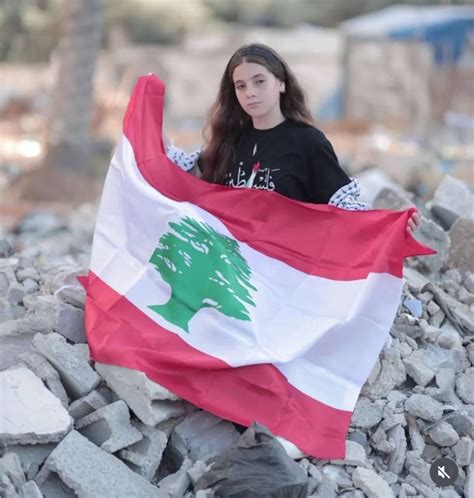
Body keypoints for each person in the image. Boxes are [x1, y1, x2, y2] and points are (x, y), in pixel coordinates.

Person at [164, 43, 420, 233]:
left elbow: (343, 207)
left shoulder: (308, 142)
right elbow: (187, 176)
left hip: (284, 276)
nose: (250, 92)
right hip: (232, 273)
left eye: (259, 81)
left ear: (281, 83)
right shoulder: (230, 141)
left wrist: (390, 223)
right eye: (241, 86)